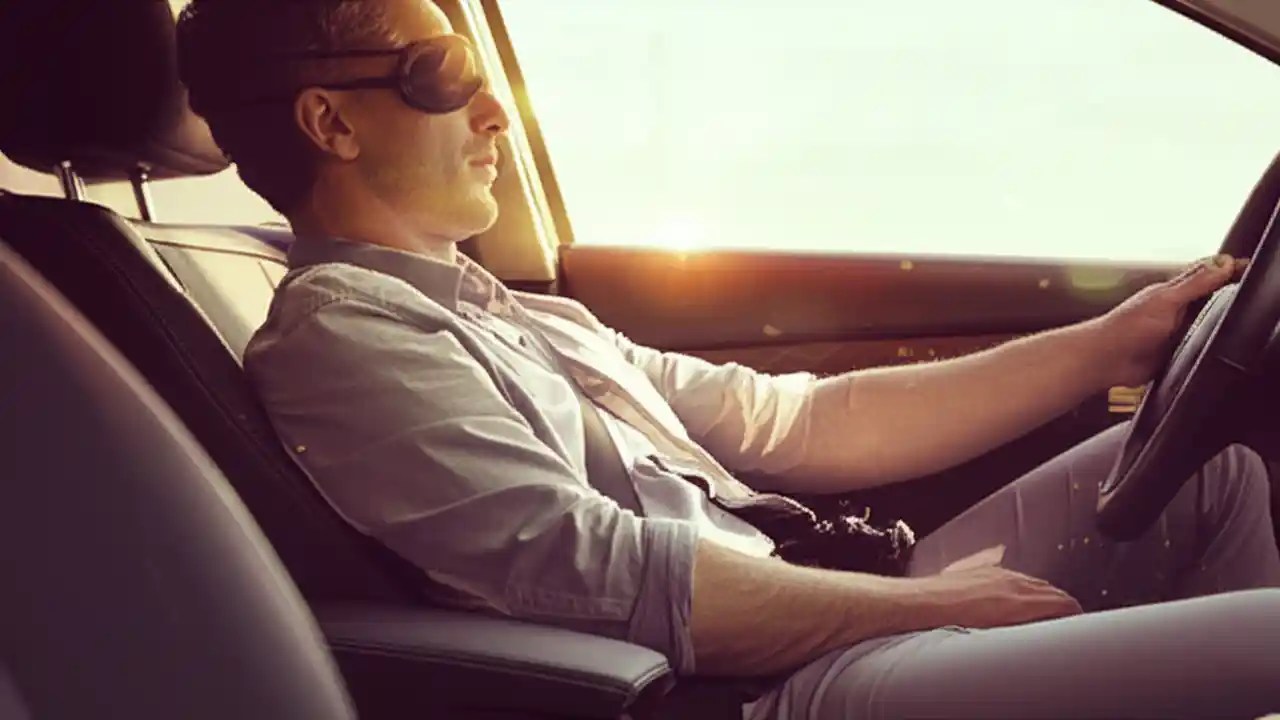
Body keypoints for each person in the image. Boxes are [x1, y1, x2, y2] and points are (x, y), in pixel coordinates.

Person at [175, 1, 1280, 717]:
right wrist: (925, 610)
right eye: (439, 69)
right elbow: (594, 572)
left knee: (1205, 472)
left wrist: (1108, 339)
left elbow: (800, 425)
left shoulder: (522, 316)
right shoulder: (347, 334)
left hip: (823, 601)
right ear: (332, 121)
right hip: (765, 686)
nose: (490, 108)